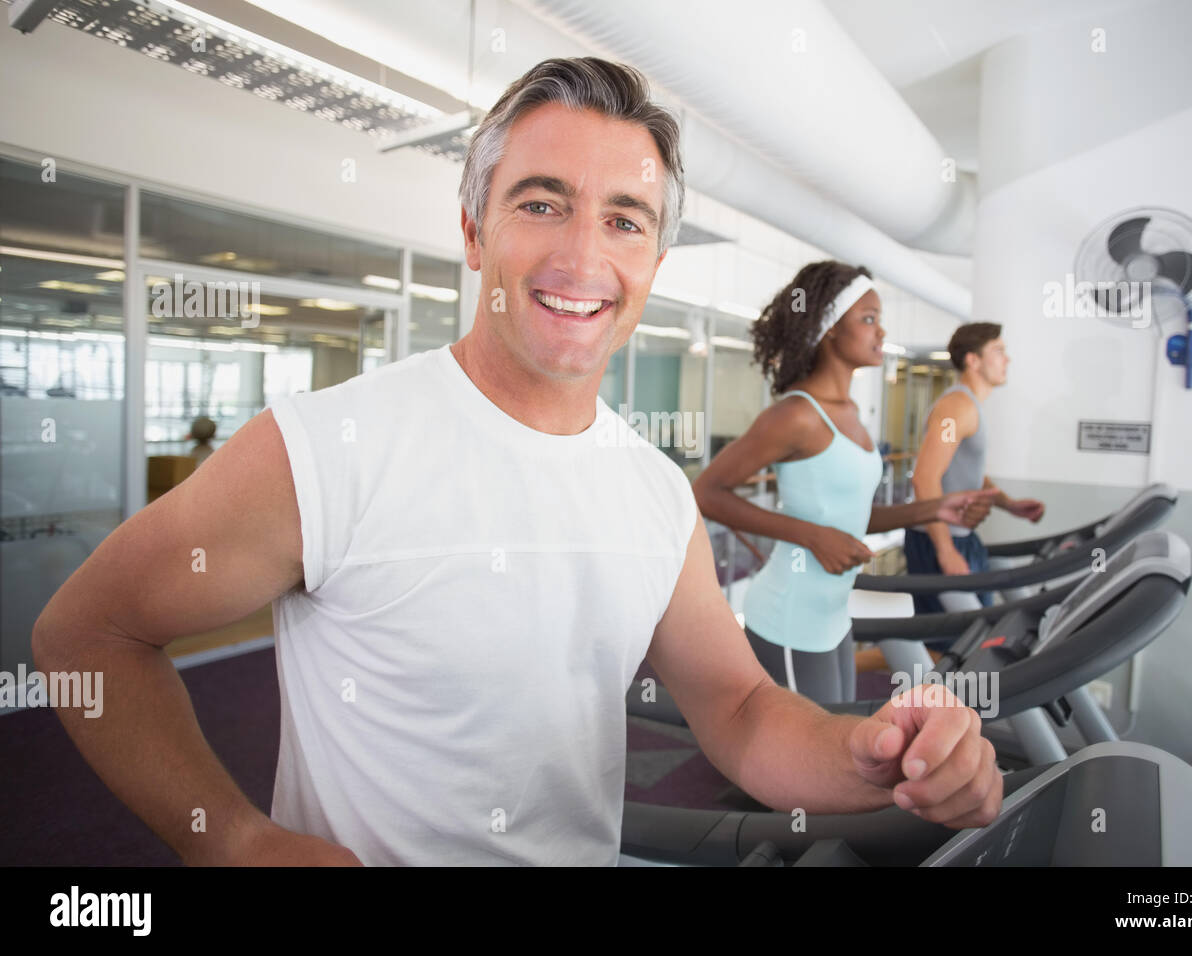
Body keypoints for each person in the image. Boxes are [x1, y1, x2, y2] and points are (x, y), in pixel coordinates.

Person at [31, 57, 1002, 867]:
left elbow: (741, 708)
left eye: (624, 218)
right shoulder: (323, 449)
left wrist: (873, 750)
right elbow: (87, 635)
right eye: (543, 203)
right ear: (472, 230)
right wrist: (230, 837)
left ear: (653, 262)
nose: (583, 255)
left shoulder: (656, 495)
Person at [693, 261, 997, 704]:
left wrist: (934, 509)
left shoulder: (850, 413)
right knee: (803, 763)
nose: (880, 332)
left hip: (835, 614)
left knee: (837, 743)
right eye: (869, 319)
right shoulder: (796, 414)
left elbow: (852, 517)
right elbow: (707, 492)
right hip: (790, 617)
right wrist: (813, 537)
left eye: (879, 320)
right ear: (831, 328)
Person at [906, 322, 1046, 613]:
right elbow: (925, 477)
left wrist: (1009, 504)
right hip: (938, 538)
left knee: (966, 640)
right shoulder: (955, 408)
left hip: (960, 536)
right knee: (947, 644)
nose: (1007, 360)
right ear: (973, 360)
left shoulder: (967, 406)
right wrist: (945, 551)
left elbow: (963, 469)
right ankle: (845, 660)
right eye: (998, 351)